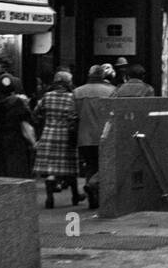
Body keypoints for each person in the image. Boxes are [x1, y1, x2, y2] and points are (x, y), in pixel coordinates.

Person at [33, 69, 80, 208]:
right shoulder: (72, 97)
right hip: (65, 135)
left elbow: (36, 113)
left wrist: (44, 121)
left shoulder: (47, 96)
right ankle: (75, 195)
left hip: (48, 133)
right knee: (69, 168)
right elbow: (75, 116)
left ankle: (49, 198)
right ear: (67, 82)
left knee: (50, 168)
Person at [73, 63, 116, 206]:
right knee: (105, 165)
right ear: (102, 76)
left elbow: (72, 115)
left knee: (90, 165)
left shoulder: (77, 92)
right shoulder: (111, 91)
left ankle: (93, 199)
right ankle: (93, 187)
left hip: (84, 136)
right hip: (105, 135)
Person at [0, 73, 36, 178]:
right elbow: (25, 126)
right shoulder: (18, 103)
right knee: (14, 173)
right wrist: (33, 143)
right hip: (15, 144)